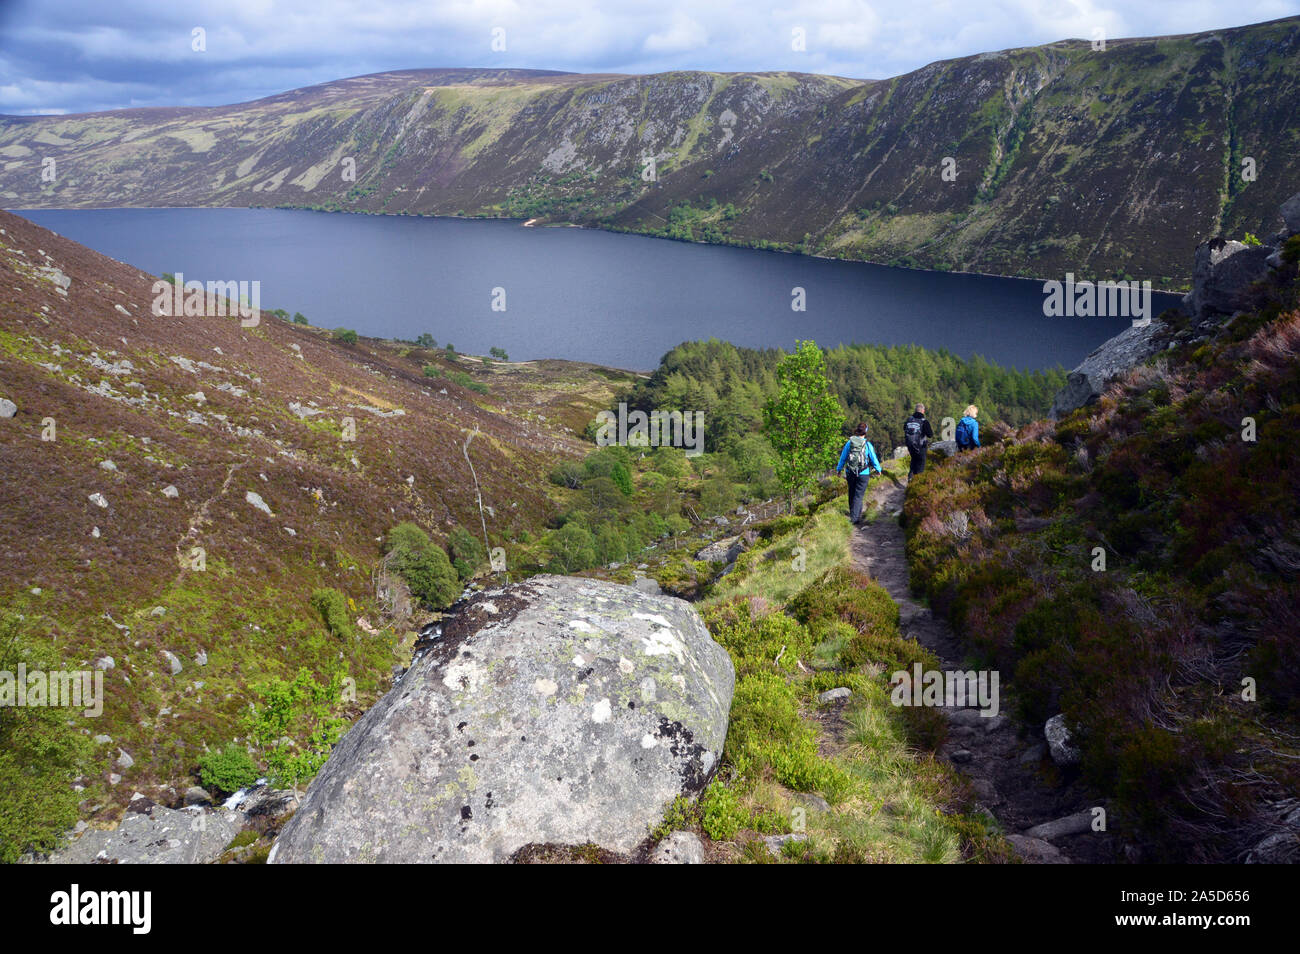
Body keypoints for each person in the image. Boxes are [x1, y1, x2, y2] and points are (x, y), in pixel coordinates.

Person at [835, 422, 883, 524]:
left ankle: (855, 514)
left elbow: (843, 457)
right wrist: (878, 469)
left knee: (852, 494)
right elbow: (873, 458)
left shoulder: (849, 443)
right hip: (863, 473)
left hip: (850, 472)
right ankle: (854, 518)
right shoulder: (867, 444)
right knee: (859, 495)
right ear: (866, 432)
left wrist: (839, 469)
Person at [903, 403, 934, 476]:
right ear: (923, 411)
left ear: (915, 410)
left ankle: (910, 475)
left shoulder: (909, 419)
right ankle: (917, 481)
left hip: (910, 445)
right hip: (921, 447)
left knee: (913, 460)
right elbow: (930, 435)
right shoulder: (924, 421)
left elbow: (904, 428)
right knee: (920, 464)